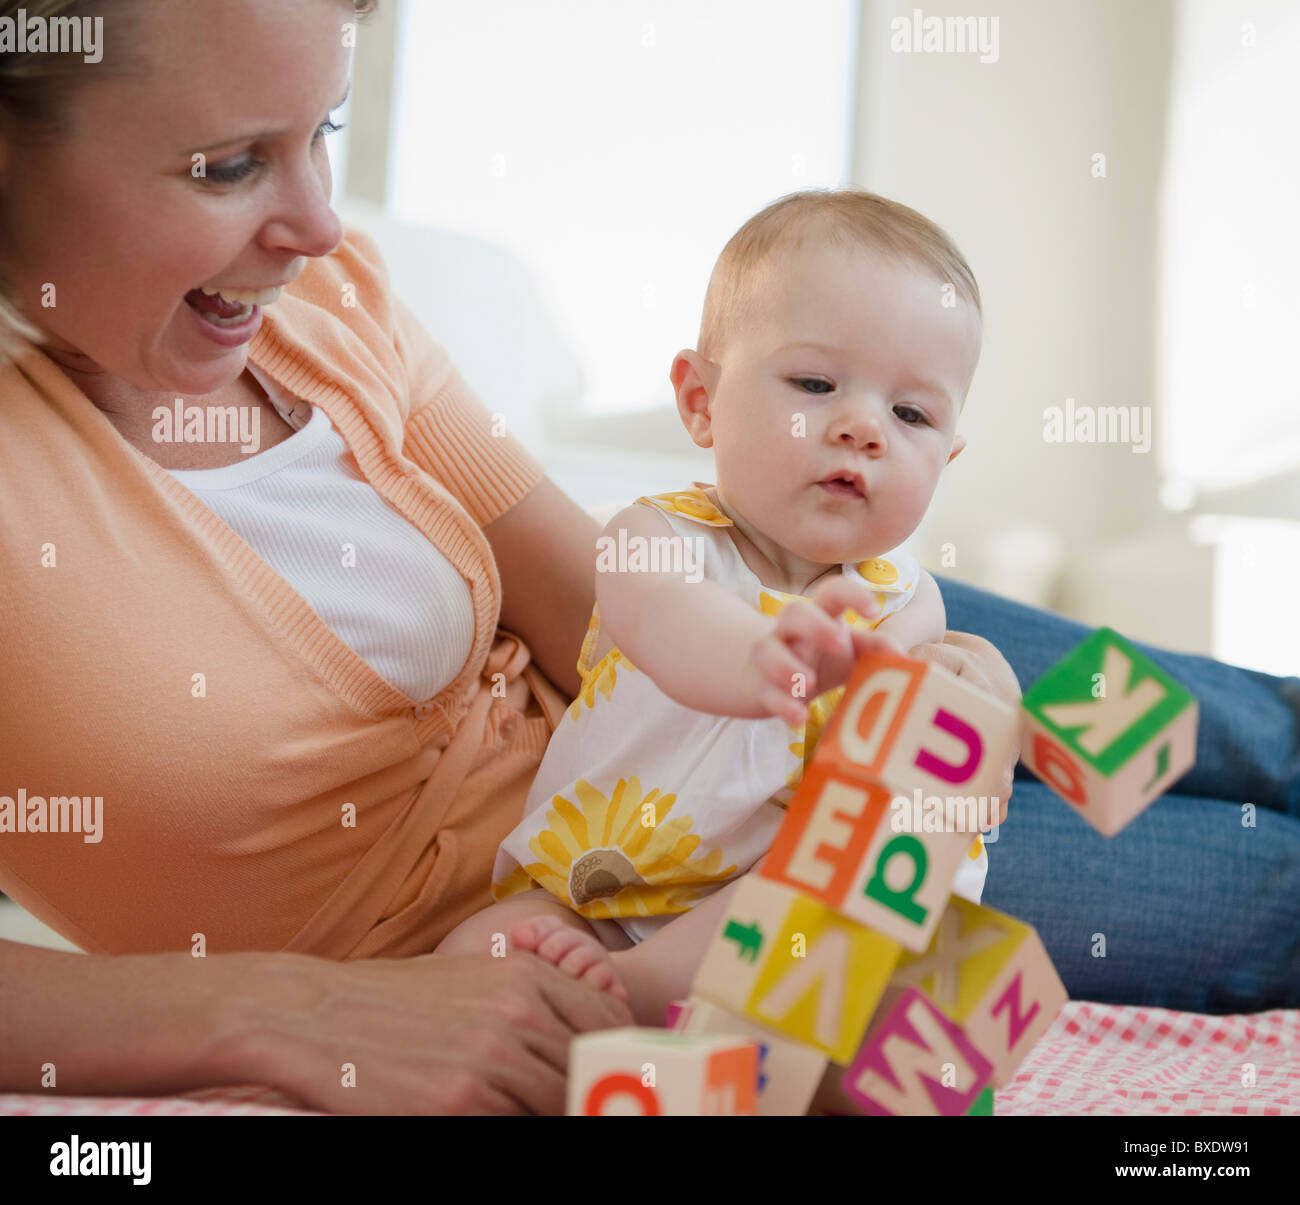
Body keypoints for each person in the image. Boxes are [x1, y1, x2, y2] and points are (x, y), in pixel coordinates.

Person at [0, 0, 1292, 1120]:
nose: (323, 225)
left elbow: (594, 594)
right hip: (626, 885)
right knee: (1272, 888)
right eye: (228, 164)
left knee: (1237, 722)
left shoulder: (329, 306)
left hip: (739, 705)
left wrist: (871, 720)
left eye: (324, 133)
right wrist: (284, 1010)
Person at [436, 190, 1000, 1026]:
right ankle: (632, 996)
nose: (863, 427)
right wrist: (760, 655)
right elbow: (671, 622)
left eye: (910, 413)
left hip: (771, 908)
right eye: (816, 382)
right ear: (700, 400)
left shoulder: (908, 599)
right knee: (473, 953)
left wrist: (984, 698)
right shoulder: (655, 535)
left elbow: (925, 769)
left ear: (946, 456)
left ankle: (645, 993)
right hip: (595, 897)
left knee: (843, 880)